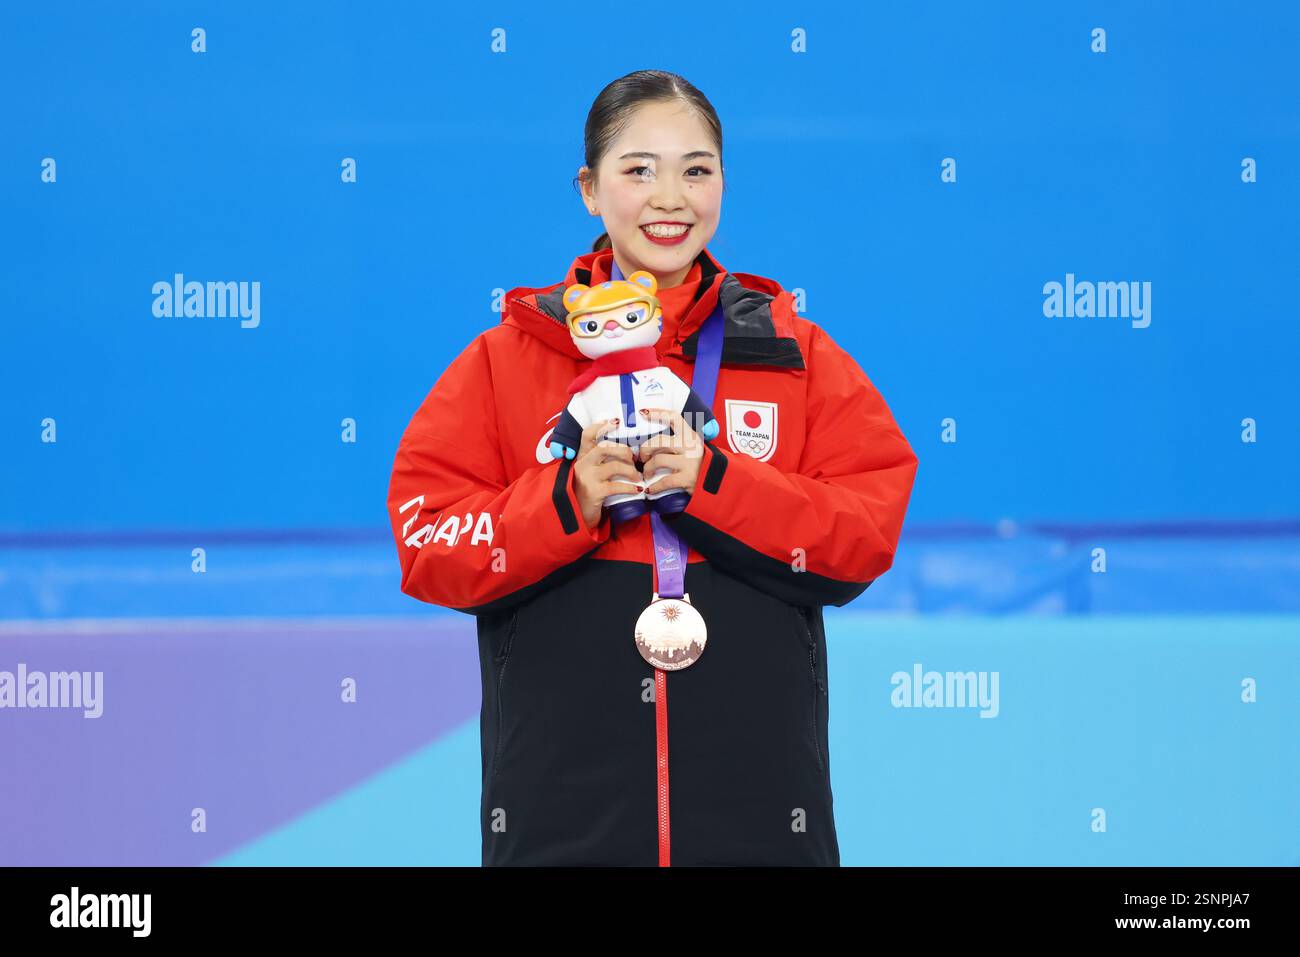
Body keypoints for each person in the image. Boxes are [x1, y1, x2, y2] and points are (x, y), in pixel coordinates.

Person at [386, 70, 918, 866]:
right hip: (559, 828)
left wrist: (716, 484)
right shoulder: (507, 359)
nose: (670, 197)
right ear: (589, 189)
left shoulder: (794, 355)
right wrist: (566, 503)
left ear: (723, 184)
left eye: (695, 169)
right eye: (638, 169)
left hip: (763, 829)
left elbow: (865, 531)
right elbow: (428, 537)